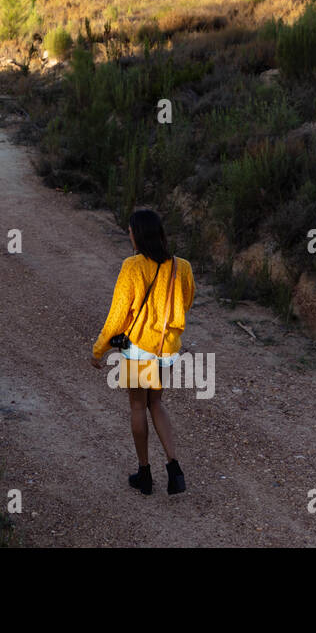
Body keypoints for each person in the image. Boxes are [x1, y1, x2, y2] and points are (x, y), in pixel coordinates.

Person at [89, 208, 196, 495]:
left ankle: (145, 473)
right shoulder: (181, 267)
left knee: (138, 406)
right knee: (156, 404)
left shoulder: (132, 267)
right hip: (167, 349)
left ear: (138, 235)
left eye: (130, 231)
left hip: (139, 350)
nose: (129, 235)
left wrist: (99, 348)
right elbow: (187, 302)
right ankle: (174, 468)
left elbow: (118, 315)